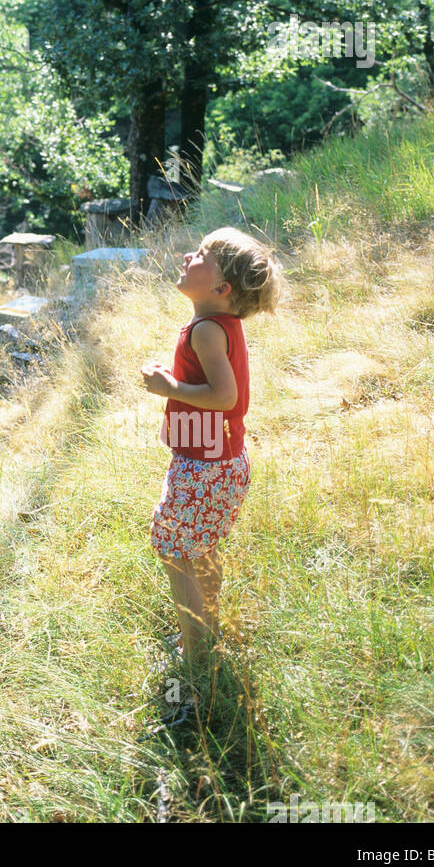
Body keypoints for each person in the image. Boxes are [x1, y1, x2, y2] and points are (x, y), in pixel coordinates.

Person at [140, 227, 284, 670]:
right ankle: (208, 628)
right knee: (199, 546)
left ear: (221, 288)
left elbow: (225, 397)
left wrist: (170, 386)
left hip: (204, 465)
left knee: (173, 547)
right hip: (220, 461)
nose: (188, 254)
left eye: (201, 254)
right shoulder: (219, 325)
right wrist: (178, 382)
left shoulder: (206, 330)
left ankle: (196, 651)